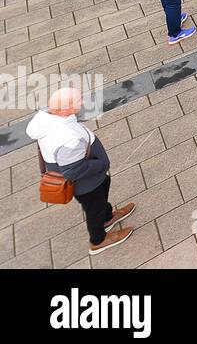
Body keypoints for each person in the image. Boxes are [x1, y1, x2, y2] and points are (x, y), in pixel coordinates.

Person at [26, 87, 135, 255]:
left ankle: (107, 218)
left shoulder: (50, 118)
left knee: (104, 185)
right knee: (94, 207)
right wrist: (100, 165)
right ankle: (98, 240)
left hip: (92, 180)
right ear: (64, 109)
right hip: (86, 185)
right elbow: (72, 170)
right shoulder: (67, 137)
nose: (82, 102)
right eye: (77, 101)